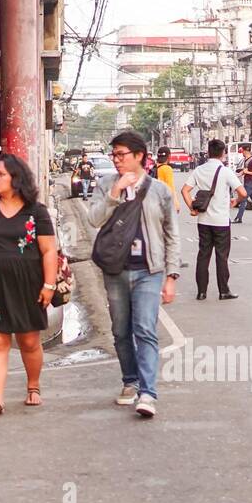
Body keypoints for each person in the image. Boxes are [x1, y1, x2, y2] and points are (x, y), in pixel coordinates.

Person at [90, 133, 180, 418]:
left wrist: (171, 276)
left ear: (139, 156)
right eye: (113, 155)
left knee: (145, 329)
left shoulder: (159, 191)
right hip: (115, 269)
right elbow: (94, 219)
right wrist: (115, 193)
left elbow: (171, 235)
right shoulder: (105, 185)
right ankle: (130, 380)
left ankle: (148, 392)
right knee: (120, 330)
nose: (116, 160)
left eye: (121, 154)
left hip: (148, 271)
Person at [0, 153, 57, 420]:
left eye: (1, 174)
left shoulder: (36, 212)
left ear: (16, 179)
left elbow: (49, 250)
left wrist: (49, 285)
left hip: (29, 285)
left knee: (28, 341)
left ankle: (33, 385)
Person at [181, 139, 247, 301]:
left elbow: (184, 191)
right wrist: (235, 201)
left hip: (203, 221)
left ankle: (201, 292)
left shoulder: (199, 170)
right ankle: (223, 291)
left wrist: (192, 208)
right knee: (221, 256)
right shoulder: (225, 171)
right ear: (223, 153)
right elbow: (243, 193)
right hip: (221, 222)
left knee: (203, 255)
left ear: (208, 152)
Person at [155, 146, 180, 214]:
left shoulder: (154, 167)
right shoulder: (167, 169)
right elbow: (170, 188)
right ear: (169, 156)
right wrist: (176, 204)